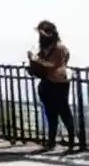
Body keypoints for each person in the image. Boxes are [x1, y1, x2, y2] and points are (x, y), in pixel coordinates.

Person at [27, 20, 76, 151]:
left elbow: (52, 64)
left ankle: (72, 142)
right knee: (50, 114)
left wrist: (37, 61)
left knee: (64, 112)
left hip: (58, 84)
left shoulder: (59, 48)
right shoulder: (45, 48)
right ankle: (51, 141)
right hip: (47, 83)